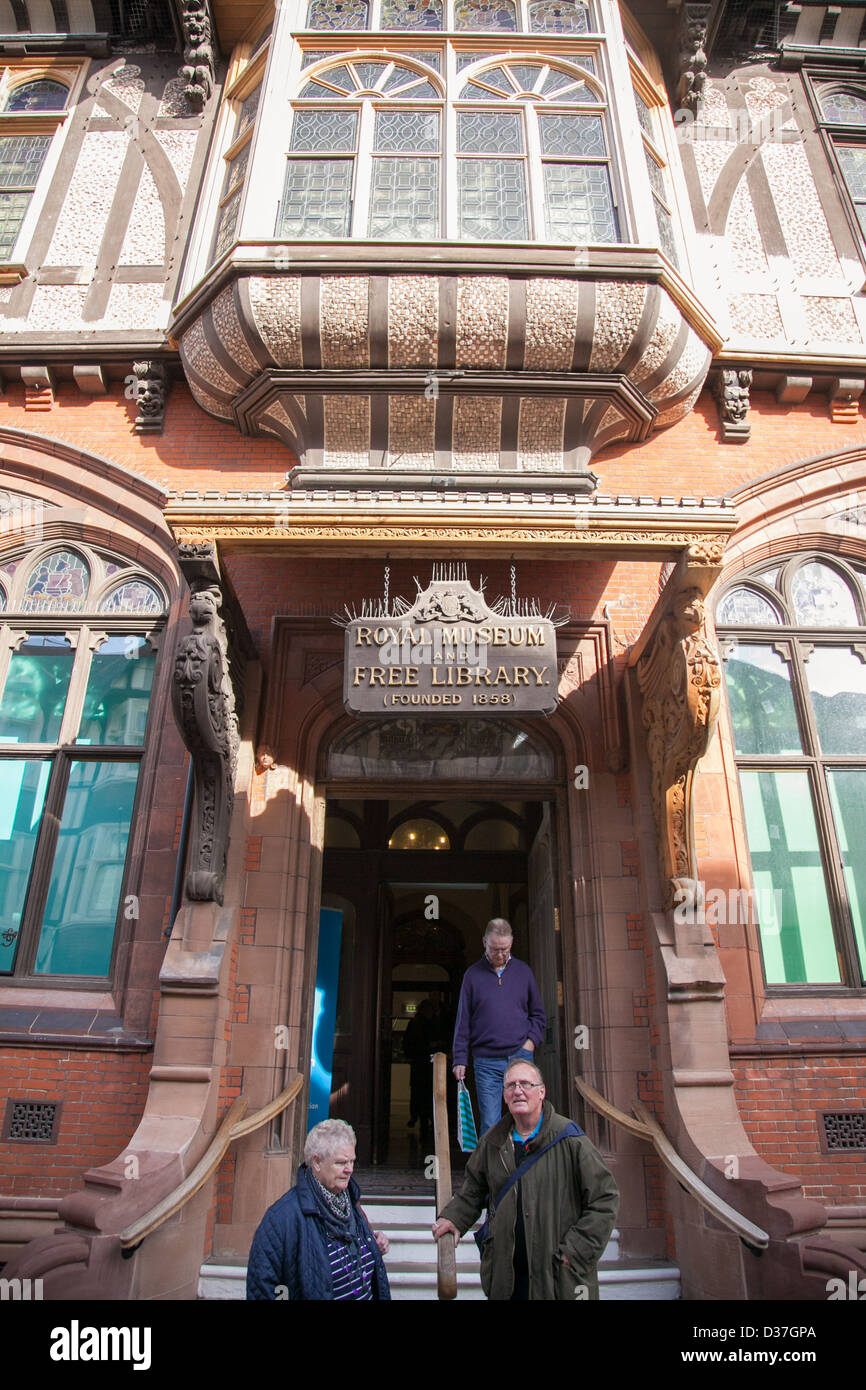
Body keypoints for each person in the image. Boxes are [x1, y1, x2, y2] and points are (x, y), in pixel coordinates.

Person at [432, 1058, 618, 1301]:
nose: (518, 1091)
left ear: (542, 1092)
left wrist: (576, 1251)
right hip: (506, 1280)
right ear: (504, 1095)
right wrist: (453, 1218)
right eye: (511, 1086)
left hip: (558, 1279)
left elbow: (604, 1198)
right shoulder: (492, 1142)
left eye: (526, 1084)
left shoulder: (570, 1139)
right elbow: (473, 1192)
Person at [246, 1118, 391, 1300]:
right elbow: (262, 1289)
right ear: (316, 1162)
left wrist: (373, 1245)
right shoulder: (282, 1217)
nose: (349, 1170)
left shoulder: (350, 1201)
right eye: (340, 1163)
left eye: (352, 1162)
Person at [452, 917, 546, 1134]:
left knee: (527, 1119)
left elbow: (538, 1015)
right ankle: (494, 1169)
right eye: (495, 949)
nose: (500, 955)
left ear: (511, 943)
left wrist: (530, 1044)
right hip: (486, 1062)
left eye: (504, 949)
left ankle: (525, 1167)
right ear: (484, 942)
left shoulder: (524, 972)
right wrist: (459, 1059)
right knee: (490, 1124)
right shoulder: (472, 976)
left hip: (520, 1057)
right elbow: (463, 1020)